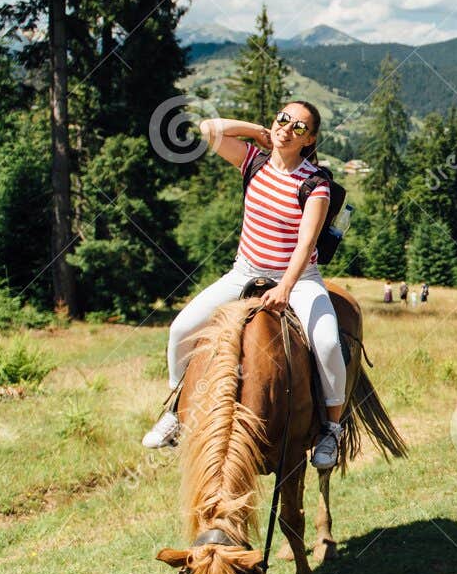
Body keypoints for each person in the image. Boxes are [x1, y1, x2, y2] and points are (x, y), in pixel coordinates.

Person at [141, 100, 349, 468]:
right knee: (181, 329)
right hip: (245, 271)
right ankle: (175, 410)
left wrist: (285, 286)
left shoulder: (315, 184)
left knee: (328, 343)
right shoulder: (253, 161)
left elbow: (306, 242)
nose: (287, 127)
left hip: (299, 279)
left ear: (310, 138)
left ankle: (331, 430)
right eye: (283, 118)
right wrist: (260, 132)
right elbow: (208, 129)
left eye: (298, 127)